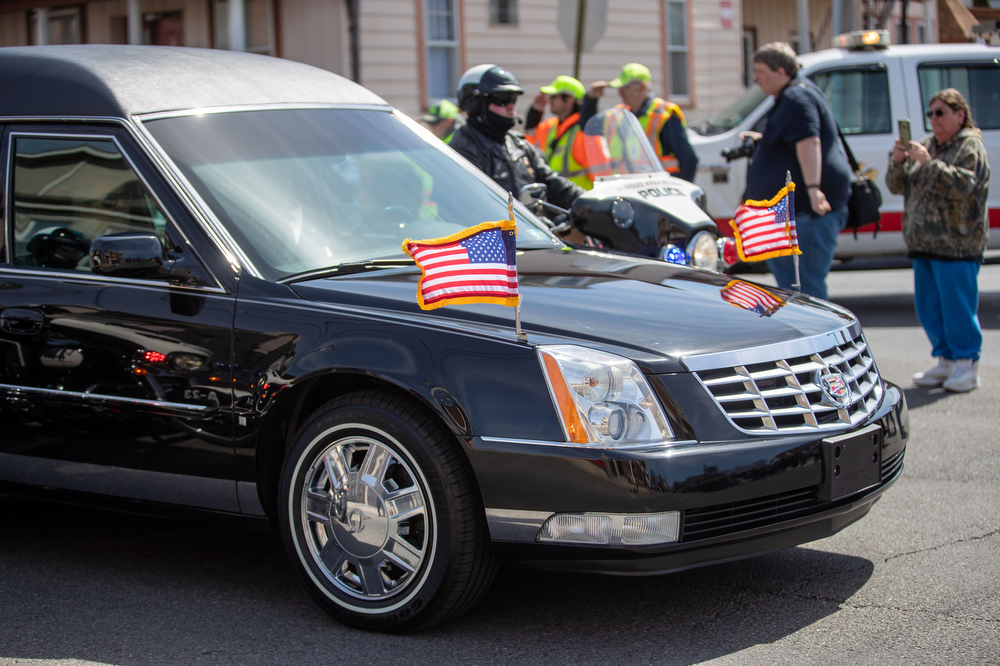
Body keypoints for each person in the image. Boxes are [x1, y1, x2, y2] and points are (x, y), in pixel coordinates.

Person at [886, 88, 990, 392]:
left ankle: (966, 365)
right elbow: (896, 186)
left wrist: (928, 162)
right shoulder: (929, 145)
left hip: (957, 245)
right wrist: (898, 160)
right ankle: (945, 361)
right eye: (930, 113)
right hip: (924, 244)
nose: (933, 119)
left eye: (940, 112)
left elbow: (963, 187)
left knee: (958, 308)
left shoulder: (970, 146)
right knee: (929, 307)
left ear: (960, 114)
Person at [743, 42, 852, 301]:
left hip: (805, 213)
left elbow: (808, 141)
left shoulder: (796, 97)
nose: (755, 78)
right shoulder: (790, 96)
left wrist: (814, 190)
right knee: (797, 290)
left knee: (806, 292)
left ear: (781, 71)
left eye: (760, 71)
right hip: (796, 214)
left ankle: (815, 341)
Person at [448, 64, 585, 215]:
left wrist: (589, 201)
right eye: (502, 99)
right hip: (498, 236)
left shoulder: (518, 144)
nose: (511, 106)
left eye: (513, 98)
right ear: (475, 103)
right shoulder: (463, 149)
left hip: (530, 235)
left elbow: (554, 184)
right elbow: (475, 208)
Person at [584, 63, 698, 182]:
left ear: (642, 87)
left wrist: (680, 192)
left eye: (625, 88)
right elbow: (587, 127)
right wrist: (591, 99)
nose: (620, 93)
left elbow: (688, 160)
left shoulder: (663, 114)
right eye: (620, 89)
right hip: (627, 189)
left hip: (658, 191)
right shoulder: (618, 115)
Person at [524, 75, 595, 189]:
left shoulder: (581, 133)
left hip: (579, 202)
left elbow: (596, 174)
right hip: (558, 202)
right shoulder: (552, 126)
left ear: (570, 99)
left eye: (554, 96)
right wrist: (535, 111)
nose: (549, 100)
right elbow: (529, 141)